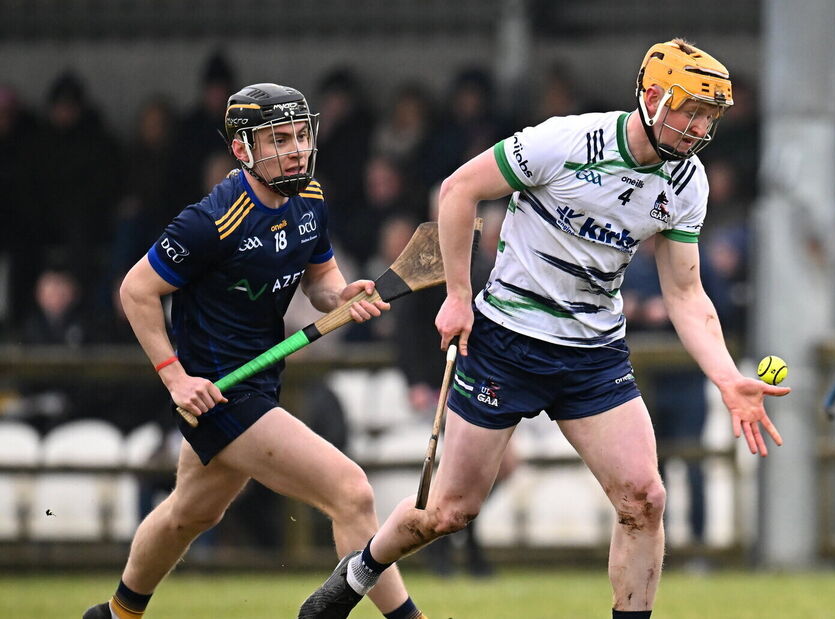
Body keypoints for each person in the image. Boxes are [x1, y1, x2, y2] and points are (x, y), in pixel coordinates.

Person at [299, 38, 789, 619]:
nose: (700, 128)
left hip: (594, 355)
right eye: (692, 111)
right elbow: (459, 190)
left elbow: (686, 293)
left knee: (644, 499)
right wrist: (458, 296)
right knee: (449, 512)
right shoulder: (565, 141)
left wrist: (727, 378)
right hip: (506, 345)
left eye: (711, 117)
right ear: (653, 97)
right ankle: (361, 571)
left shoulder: (686, 183)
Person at [82, 83, 424, 619]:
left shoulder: (310, 200)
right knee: (351, 491)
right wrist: (175, 378)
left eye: (300, 137)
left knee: (188, 515)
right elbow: (135, 291)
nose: (295, 150)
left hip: (260, 381)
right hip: (220, 393)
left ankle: (115, 615)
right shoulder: (209, 221)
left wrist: (341, 293)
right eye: (279, 140)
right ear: (243, 150)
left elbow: (320, 278)